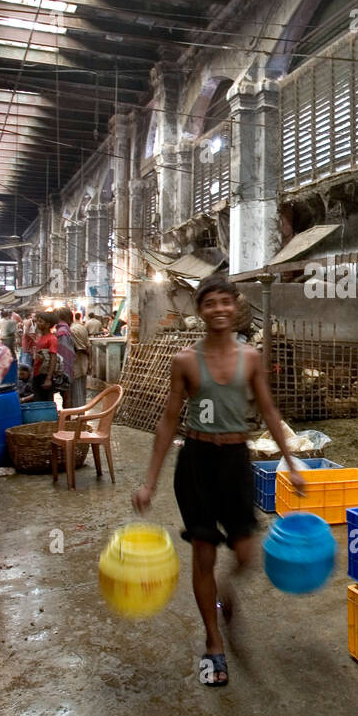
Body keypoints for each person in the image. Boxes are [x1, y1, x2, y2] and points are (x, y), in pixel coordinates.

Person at [132, 274, 304, 688]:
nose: (219, 310)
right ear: (200, 309)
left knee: (246, 555)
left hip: (235, 462)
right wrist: (150, 482)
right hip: (195, 464)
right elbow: (168, 419)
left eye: (225, 302)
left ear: (235, 305)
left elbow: (268, 410)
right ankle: (213, 643)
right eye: (210, 303)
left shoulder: (251, 357)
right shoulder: (185, 361)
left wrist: (291, 462)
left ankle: (225, 590)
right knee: (203, 553)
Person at [30, 313, 59, 402]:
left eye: (40, 321)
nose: (38, 323)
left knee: (46, 403)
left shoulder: (52, 339)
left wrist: (48, 379)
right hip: (37, 374)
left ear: (47, 325)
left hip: (45, 376)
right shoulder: (40, 337)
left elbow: (53, 358)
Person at [53, 307, 78, 407]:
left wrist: (62, 372)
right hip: (67, 368)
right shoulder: (65, 330)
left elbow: (64, 354)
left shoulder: (62, 331)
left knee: (66, 396)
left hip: (64, 369)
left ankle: (66, 420)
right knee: (66, 396)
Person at [69, 311, 90, 408]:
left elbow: (80, 347)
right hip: (83, 361)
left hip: (76, 361)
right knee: (82, 386)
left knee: (76, 388)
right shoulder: (82, 327)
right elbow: (88, 346)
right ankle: (81, 410)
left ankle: (78, 411)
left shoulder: (72, 330)